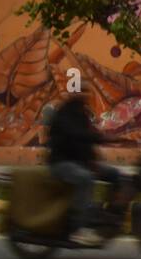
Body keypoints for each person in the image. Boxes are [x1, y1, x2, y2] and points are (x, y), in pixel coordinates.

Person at [46, 93, 121, 247]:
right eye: (82, 100)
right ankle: (78, 228)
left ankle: (104, 215)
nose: (86, 103)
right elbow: (77, 137)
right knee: (85, 179)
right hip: (62, 163)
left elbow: (86, 142)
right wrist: (98, 139)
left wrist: (93, 157)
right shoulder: (64, 117)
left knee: (115, 175)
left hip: (81, 162)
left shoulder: (81, 116)